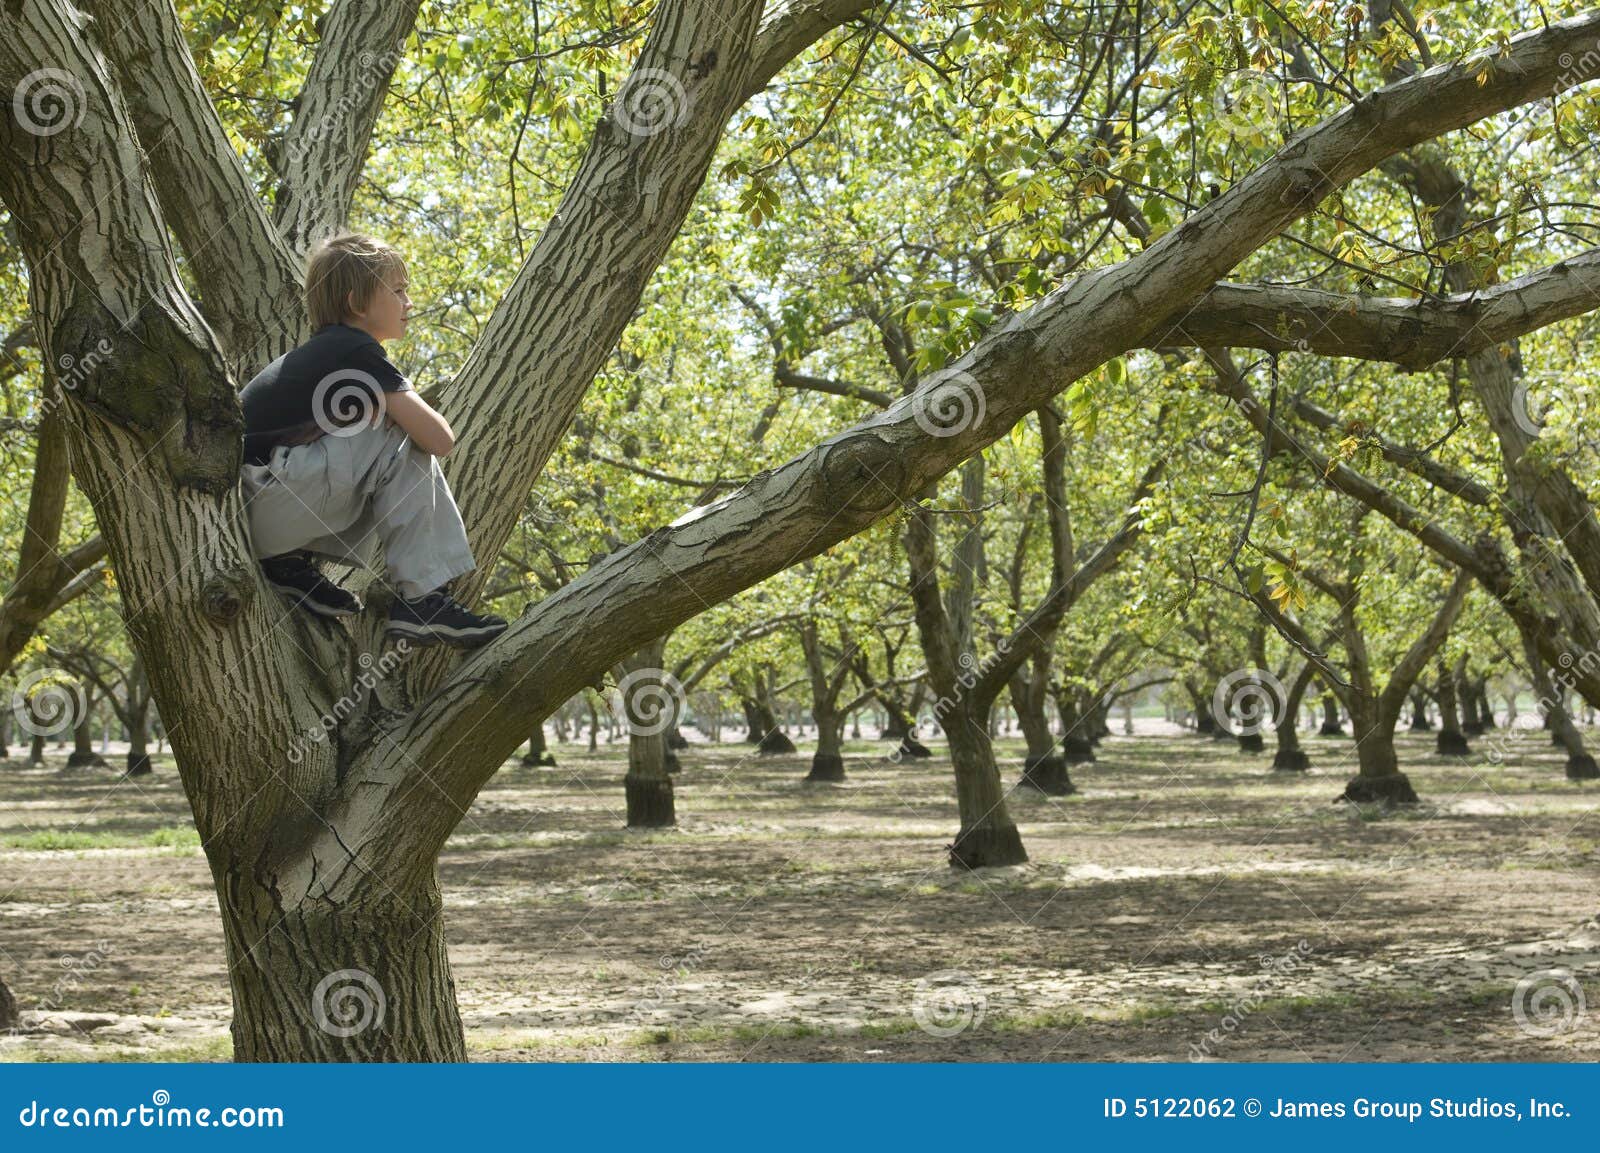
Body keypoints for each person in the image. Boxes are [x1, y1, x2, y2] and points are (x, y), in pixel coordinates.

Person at [237, 231, 507, 648]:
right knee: (397, 433)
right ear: (356, 303)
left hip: (250, 515)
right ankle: (423, 599)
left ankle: (288, 565)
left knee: (372, 427)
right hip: (263, 501)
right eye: (398, 291)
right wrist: (395, 404)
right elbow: (440, 439)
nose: (409, 303)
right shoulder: (356, 352)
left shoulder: (330, 354)